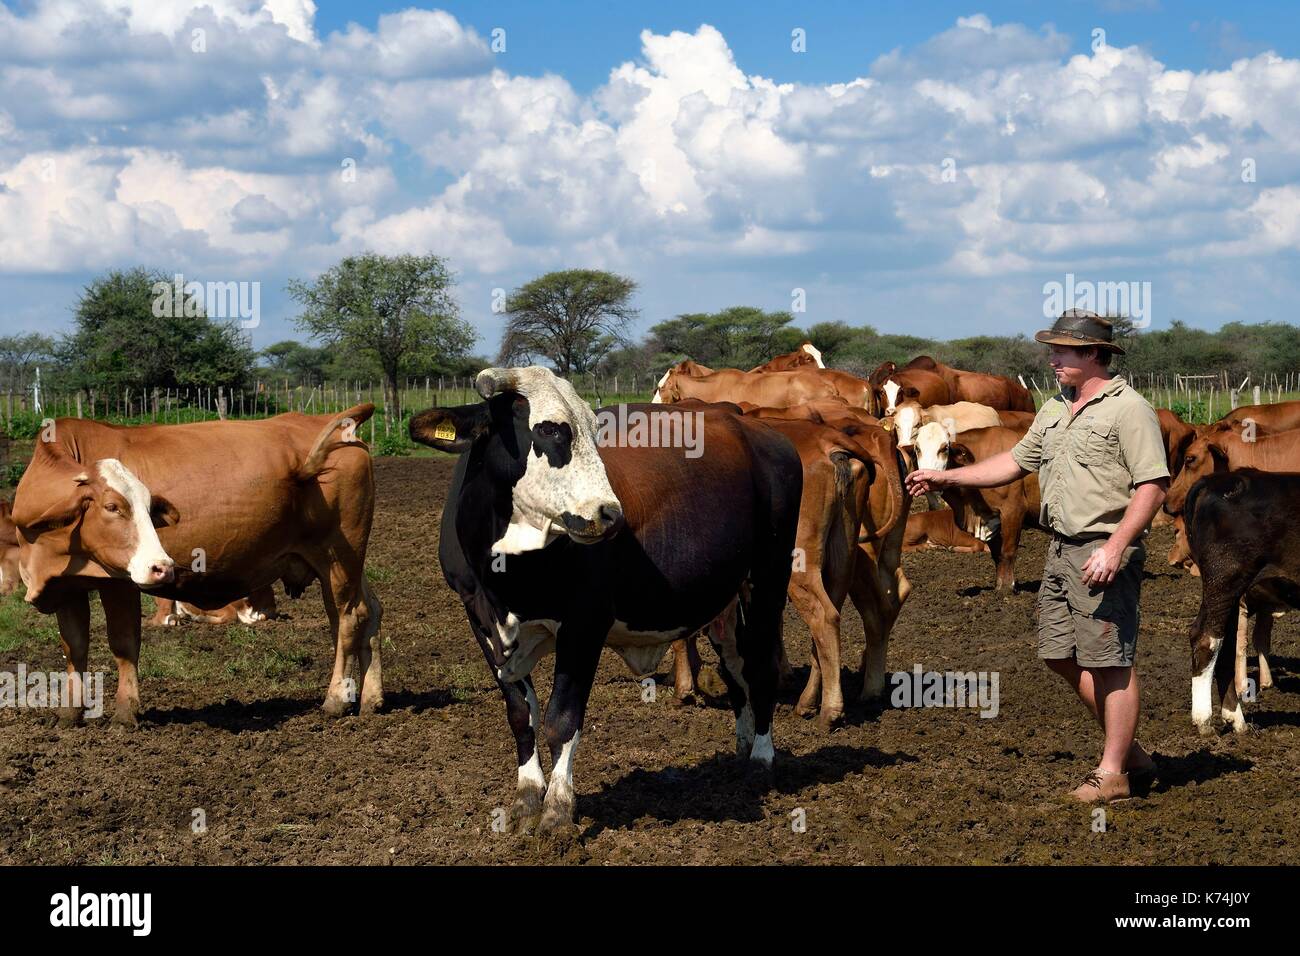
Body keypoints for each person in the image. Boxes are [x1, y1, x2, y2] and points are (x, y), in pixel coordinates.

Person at [906, 310, 1169, 803]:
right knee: (1057, 653)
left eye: (1062, 352)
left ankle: (1113, 771)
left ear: (1093, 355)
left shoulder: (1128, 409)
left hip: (1102, 549)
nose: (1052, 360)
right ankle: (1129, 750)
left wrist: (1116, 547)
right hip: (1060, 547)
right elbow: (1013, 462)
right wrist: (947, 478)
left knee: (1111, 662)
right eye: (1052, 351)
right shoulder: (1054, 408)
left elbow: (1153, 485)